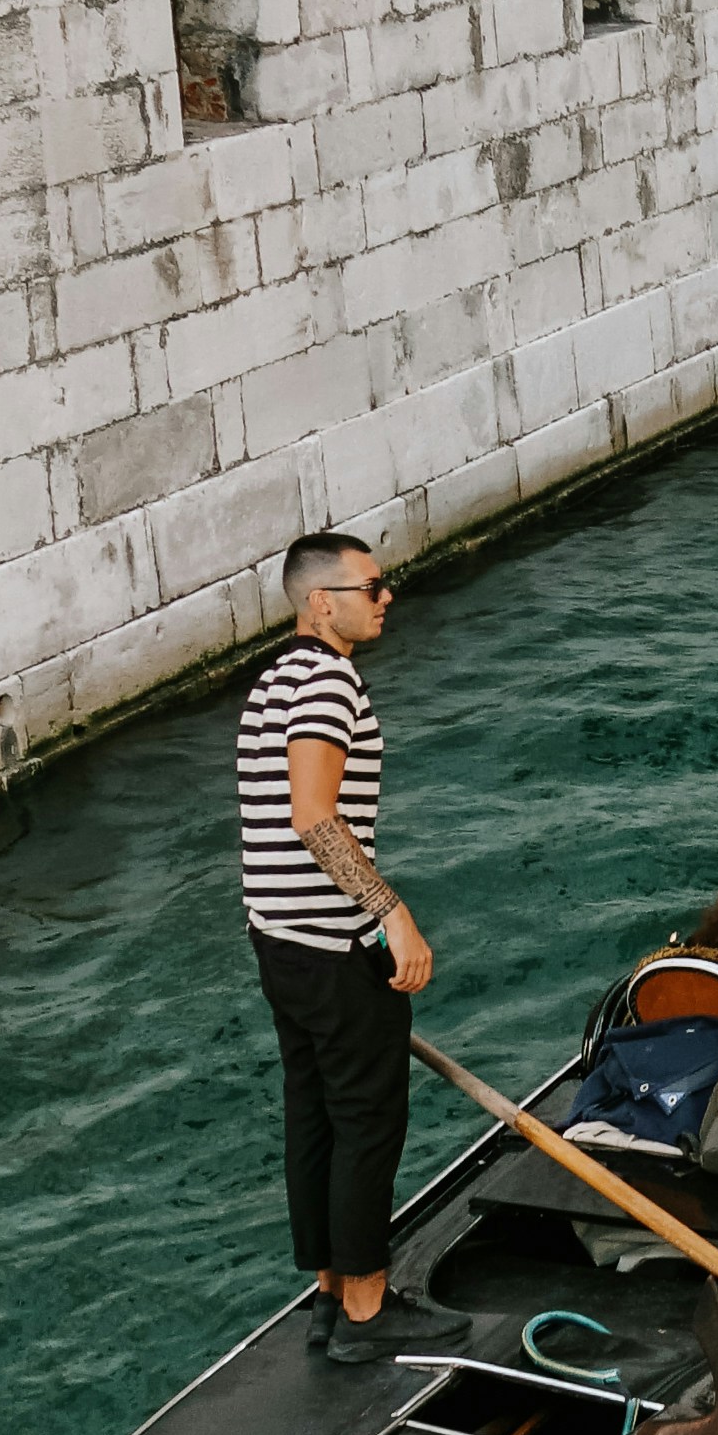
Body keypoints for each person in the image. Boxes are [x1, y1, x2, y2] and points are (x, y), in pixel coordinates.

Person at [236, 530, 435, 1363]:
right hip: (330, 941)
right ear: (323, 602)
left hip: (277, 940)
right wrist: (392, 913)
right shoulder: (326, 681)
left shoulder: (270, 682)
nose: (387, 598)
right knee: (367, 1120)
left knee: (313, 1113)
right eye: (373, 586)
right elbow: (315, 815)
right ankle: (365, 1310)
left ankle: (325, 1288)